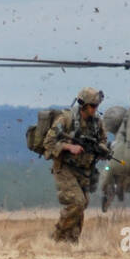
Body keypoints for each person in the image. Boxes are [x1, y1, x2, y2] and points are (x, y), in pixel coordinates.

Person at [43, 87, 112, 243]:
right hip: (65, 168)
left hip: (84, 170)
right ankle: (56, 237)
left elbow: (103, 141)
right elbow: (48, 143)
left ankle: (71, 242)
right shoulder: (65, 119)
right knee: (77, 202)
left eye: (96, 106)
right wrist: (68, 147)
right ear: (84, 105)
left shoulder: (97, 123)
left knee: (81, 206)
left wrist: (102, 150)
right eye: (93, 106)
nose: (95, 109)